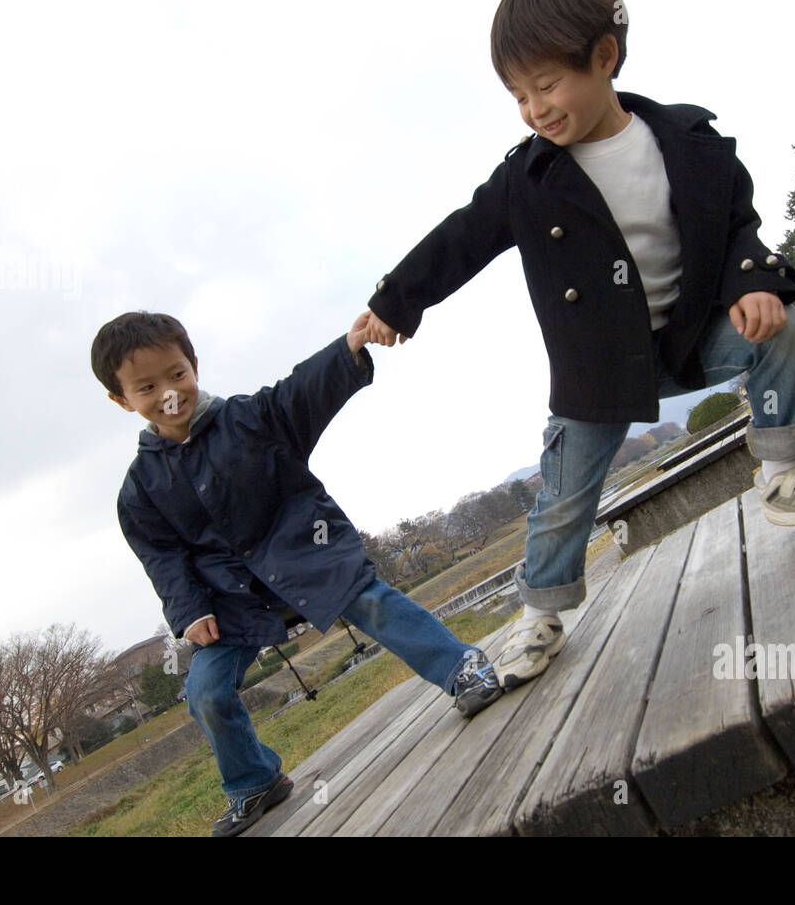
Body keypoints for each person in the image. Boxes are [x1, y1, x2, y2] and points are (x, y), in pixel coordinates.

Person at [364, 0, 795, 690]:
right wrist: (396, 301)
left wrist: (754, 282)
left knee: (782, 327)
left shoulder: (689, 140)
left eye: (545, 85)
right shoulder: (529, 179)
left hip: (692, 339)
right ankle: (540, 613)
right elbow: (462, 237)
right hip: (598, 372)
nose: (533, 109)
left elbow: (738, 225)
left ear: (604, 56)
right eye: (517, 96)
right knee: (564, 499)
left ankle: (789, 473)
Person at [91, 310, 503, 837]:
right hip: (231, 600)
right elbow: (162, 558)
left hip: (307, 556)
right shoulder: (140, 488)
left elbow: (300, 392)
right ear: (122, 400)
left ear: (194, 365)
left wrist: (347, 349)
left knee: (375, 602)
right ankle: (254, 780)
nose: (169, 393)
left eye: (176, 374)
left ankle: (462, 668)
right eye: (147, 387)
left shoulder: (251, 419)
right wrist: (190, 612)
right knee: (205, 691)